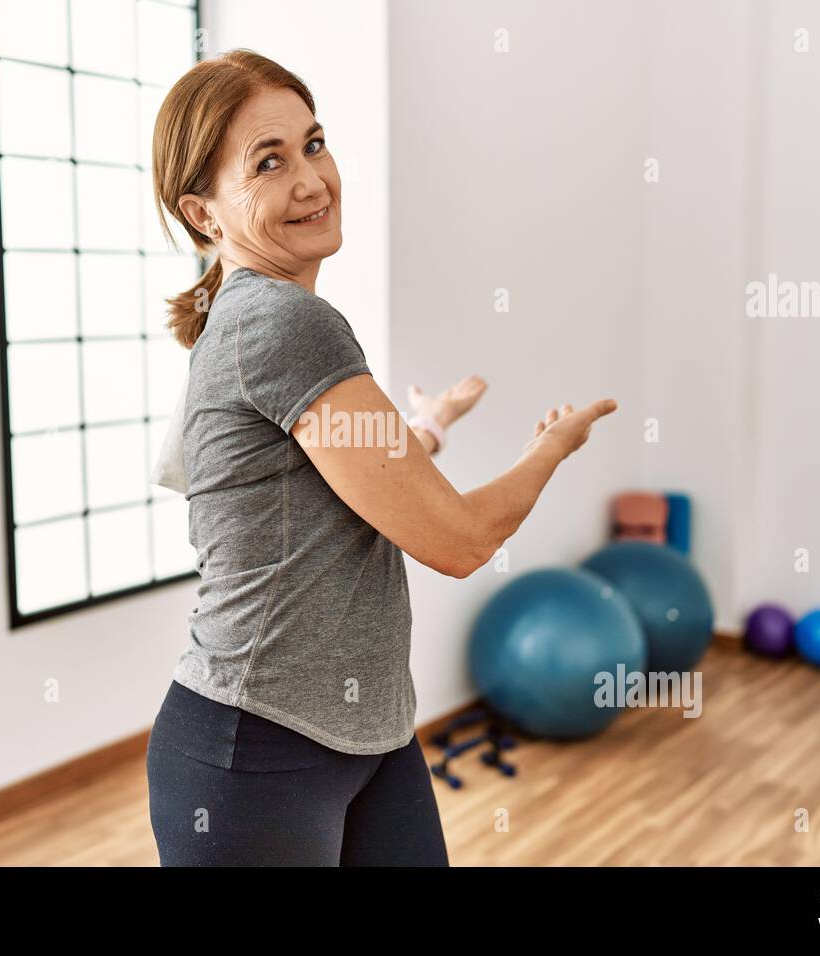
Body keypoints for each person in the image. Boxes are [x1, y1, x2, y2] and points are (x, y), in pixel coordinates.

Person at [145, 48, 617, 866]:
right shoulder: (285, 324)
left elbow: (323, 490)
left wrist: (425, 429)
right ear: (204, 214)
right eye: (268, 162)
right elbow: (458, 540)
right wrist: (551, 449)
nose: (311, 180)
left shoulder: (246, 320)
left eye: (313, 143)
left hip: (371, 736)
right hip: (255, 748)